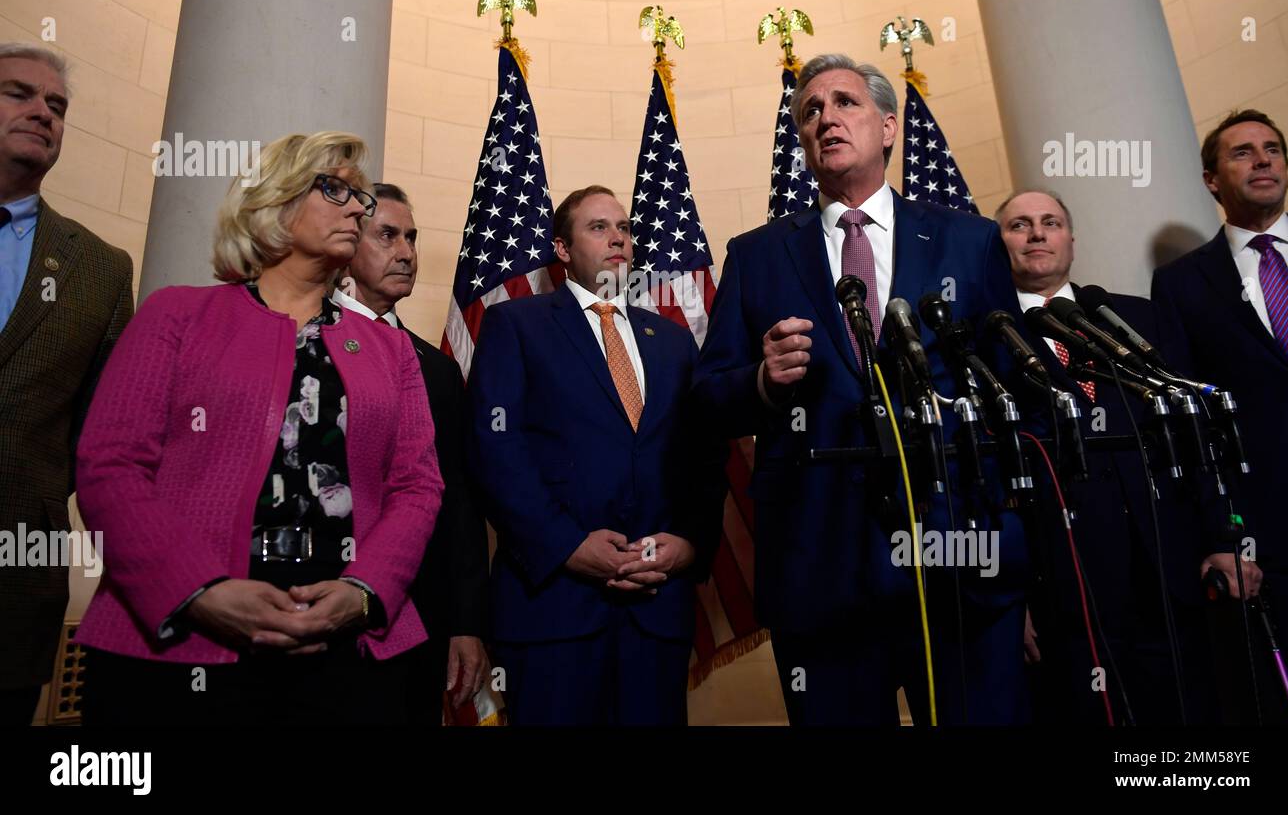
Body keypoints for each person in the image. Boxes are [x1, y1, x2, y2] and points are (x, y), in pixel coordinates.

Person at [694, 53, 1028, 725]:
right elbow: (707, 397)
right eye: (811, 111)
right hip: (821, 570)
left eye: (844, 102)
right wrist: (761, 380)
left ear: (888, 127)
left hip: (958, 558)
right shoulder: (757, 256)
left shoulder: (969, 242)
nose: (826, 119)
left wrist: (1014, 544)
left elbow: (1013, 394)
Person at [74, 131, 442, 725]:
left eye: (361, 199)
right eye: (336, 191)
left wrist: (364, 591)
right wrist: (198, 589)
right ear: (276, 198)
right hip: (182, 642)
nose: (357, 208)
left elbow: (417, 486)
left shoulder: (391, 351)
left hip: (346, 639)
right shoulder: (177, 314)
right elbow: (109, 465)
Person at [467, 186, 723, 725]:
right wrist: (568, 547)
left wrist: (689, 543)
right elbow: (497, 450)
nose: (619, 241)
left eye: (625, 229)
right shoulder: (518, 325)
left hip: (656, 610)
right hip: (554, 608)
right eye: (599, 227)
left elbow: (703, 456)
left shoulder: (673, 342)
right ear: (562, 248)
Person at [997, 188, 1254, 724]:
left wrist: (1223, 537)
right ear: (999, 245)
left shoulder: (1135, 319)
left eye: (1051, 222)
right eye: (1019, 225)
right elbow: (991, 475)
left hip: (1168, 562)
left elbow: (1195, 432)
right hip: (1065, 582)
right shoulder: (986, 338)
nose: (1038, 233)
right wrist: (1006, 597)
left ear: (1071, 239)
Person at [1151, 109, 1288, 722]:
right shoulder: (1182, 284)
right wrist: (1221, 534)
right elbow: (1190, 422)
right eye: (1242, 153)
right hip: (1268, 535)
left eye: (1272, 149)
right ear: (1212, 180)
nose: (1262, 160)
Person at [0, 43, 133, 725]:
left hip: (14, 581)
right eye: (19, 94)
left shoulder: (101, 270)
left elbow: (100, 430)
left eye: (56, 106)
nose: (41, 113)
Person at [335, 182, 490, 722]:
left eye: (412, 237)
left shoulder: (438, 371)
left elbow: (459, 503)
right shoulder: (299, 338)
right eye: (387, 236)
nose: (406, 252)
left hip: (417, 618)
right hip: (311, 612)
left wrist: (467, 622)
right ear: (346, 244)